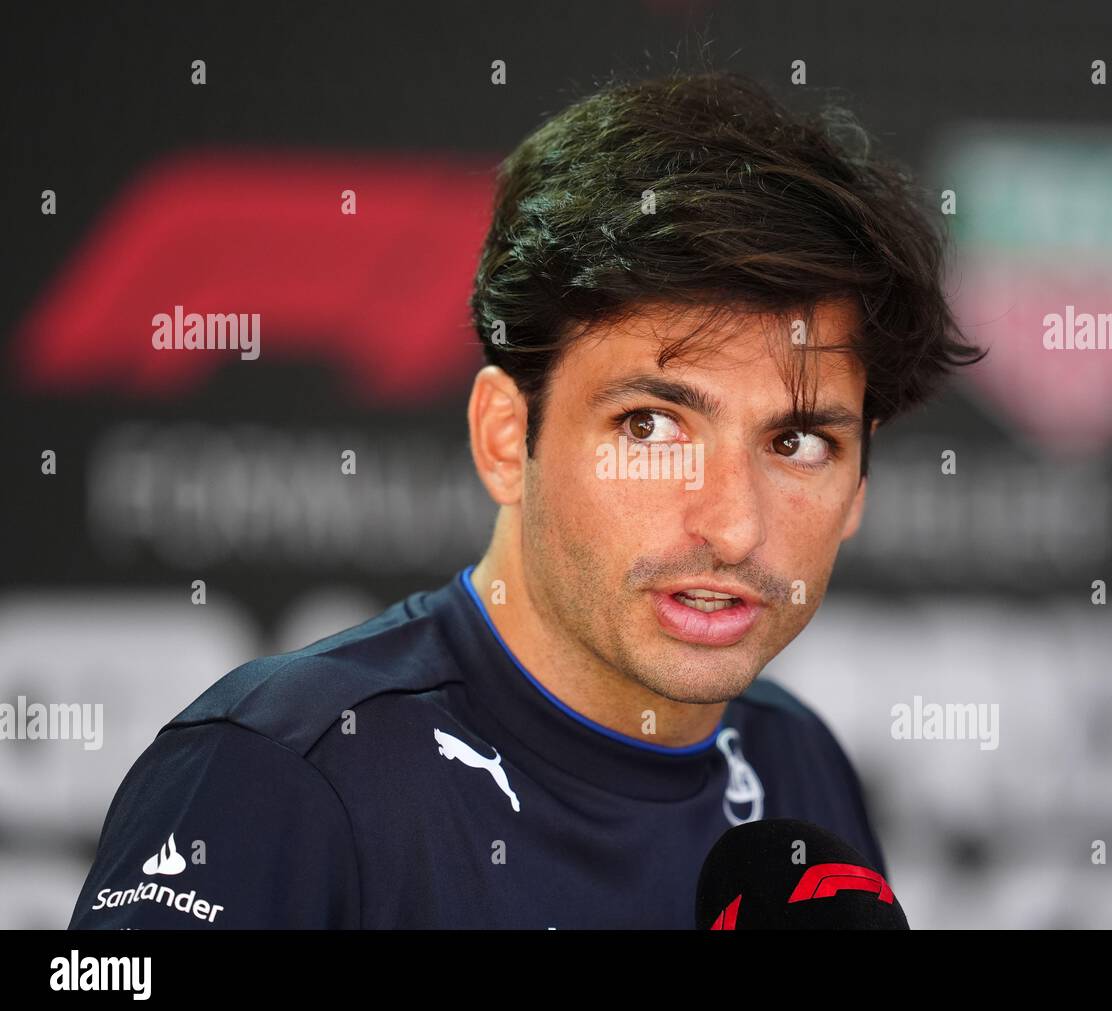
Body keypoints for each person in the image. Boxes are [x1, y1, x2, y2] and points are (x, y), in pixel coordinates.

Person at [69, 70, 983, 929]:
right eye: (651, 428)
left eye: (796, 443)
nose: (734, 526)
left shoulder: (797, 764)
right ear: (508, 438)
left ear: (859, 487)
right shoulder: (273, 775)